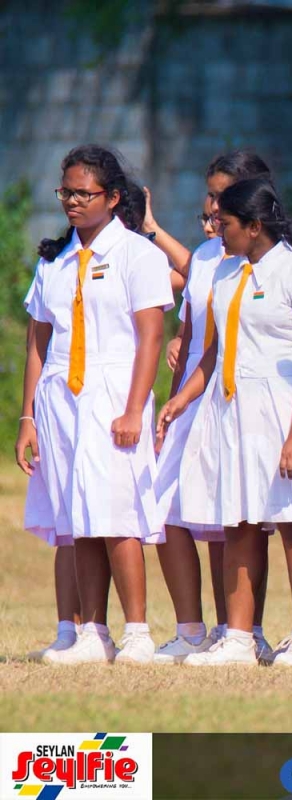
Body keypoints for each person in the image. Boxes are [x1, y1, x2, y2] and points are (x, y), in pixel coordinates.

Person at [162, 177, 292, 667]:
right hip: (229, 410)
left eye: (226, 225)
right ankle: (240, 639)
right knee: (238, 521)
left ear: (255, 226)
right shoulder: (225, 275)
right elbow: (214, 355)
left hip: (284, 408)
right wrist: (182, 400)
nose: (217, 232)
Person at [20, 144, 173, 665]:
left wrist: (135, 409)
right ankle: (91, 632)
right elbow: (38, 341)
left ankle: (136, 632)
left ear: (111, 197)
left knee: (116, 512)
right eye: (66, 191)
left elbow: (150, 337)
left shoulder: (138, 255)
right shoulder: (56, 261)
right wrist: (27, 417)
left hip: (114, 390)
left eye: (84, 193)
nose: (72, 202)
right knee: (74, 514)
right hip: (60, 395)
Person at [153, 150, 275, 665]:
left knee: (234, 517)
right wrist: (176, 347)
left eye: (221, 195)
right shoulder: (205, 256)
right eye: (209, 192)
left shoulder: (260, 258)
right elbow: (193, 327)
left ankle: (241, 630)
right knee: (166, 511)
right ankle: (190, 629)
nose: (210, 204)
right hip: (192, 399)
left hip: (233, 398)